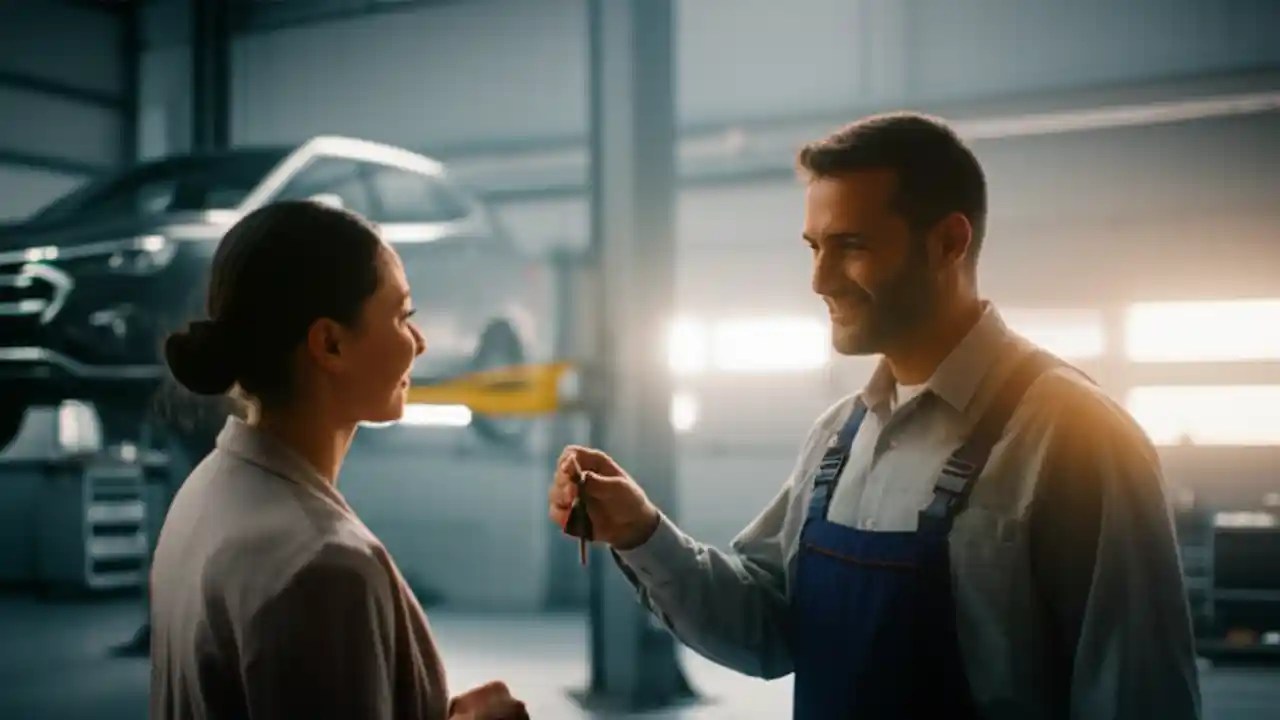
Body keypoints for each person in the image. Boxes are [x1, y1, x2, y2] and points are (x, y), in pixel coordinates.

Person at [549, 113, 1201, 719]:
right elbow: (767, 629)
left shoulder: (1078, 439)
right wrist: (640, 531)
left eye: (851, 245)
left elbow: (1140, 698)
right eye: (814, 247)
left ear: (948, 243)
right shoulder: (838, 437)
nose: (820, 280)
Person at [150, 200, 528, 720]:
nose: (419, 343)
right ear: (330, 344)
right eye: (402, 316)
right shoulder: (323, 568)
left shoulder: (204, 493)